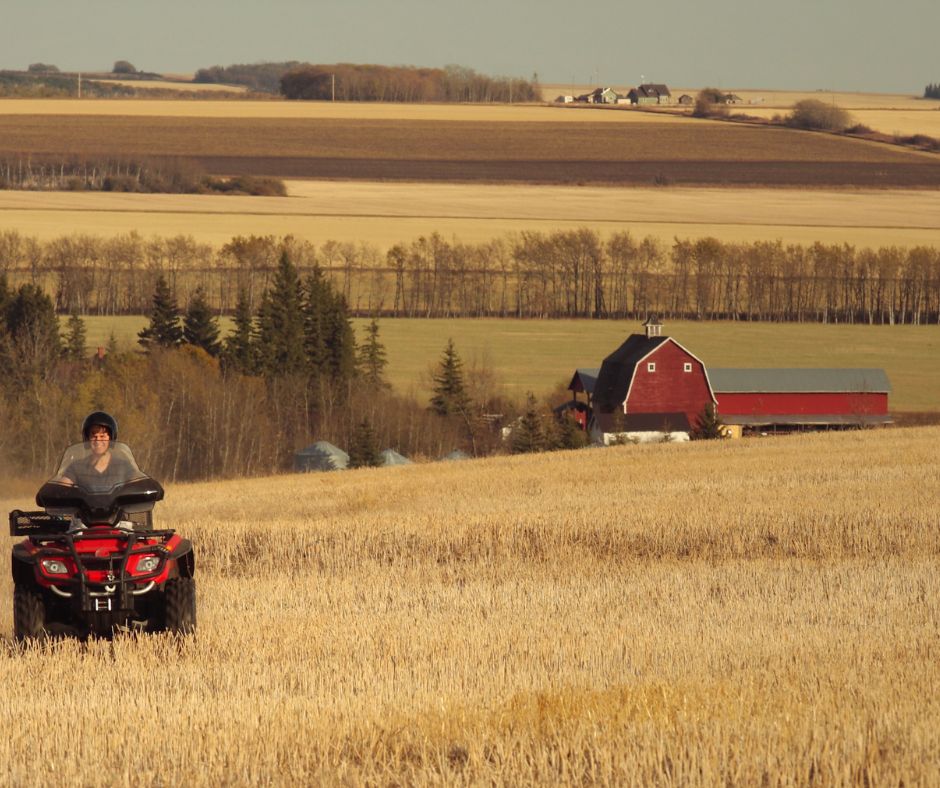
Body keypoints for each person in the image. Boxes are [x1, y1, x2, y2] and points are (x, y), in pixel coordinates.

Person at [60, 411, 136, 493]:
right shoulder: (77, 467)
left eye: (102, 436)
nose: (98, 440)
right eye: (94, 436)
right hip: (85, 506)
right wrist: (55, 491)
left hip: (117, 506)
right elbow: (62, 486)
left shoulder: (123, 466)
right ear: (87, 439)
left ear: (111, 438)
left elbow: (138, 486)